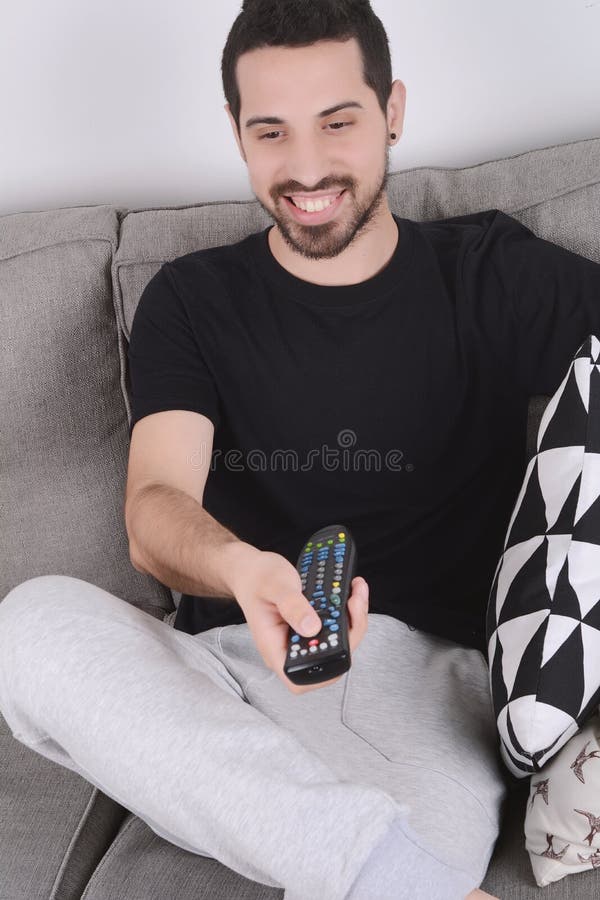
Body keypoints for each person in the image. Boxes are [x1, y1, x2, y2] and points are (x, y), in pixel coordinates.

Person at [1, 1, 600, 898]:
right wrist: (246, 572)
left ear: (393, 110)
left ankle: (347, 853)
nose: (307, 166)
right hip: (217, 674)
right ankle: (364, 861)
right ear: (237, 133)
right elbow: (155, 506)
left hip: (430, 698)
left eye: (339, 122)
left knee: (421, 849)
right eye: (271, 130)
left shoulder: (493, 275)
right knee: (32, 626)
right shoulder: (192, 299)